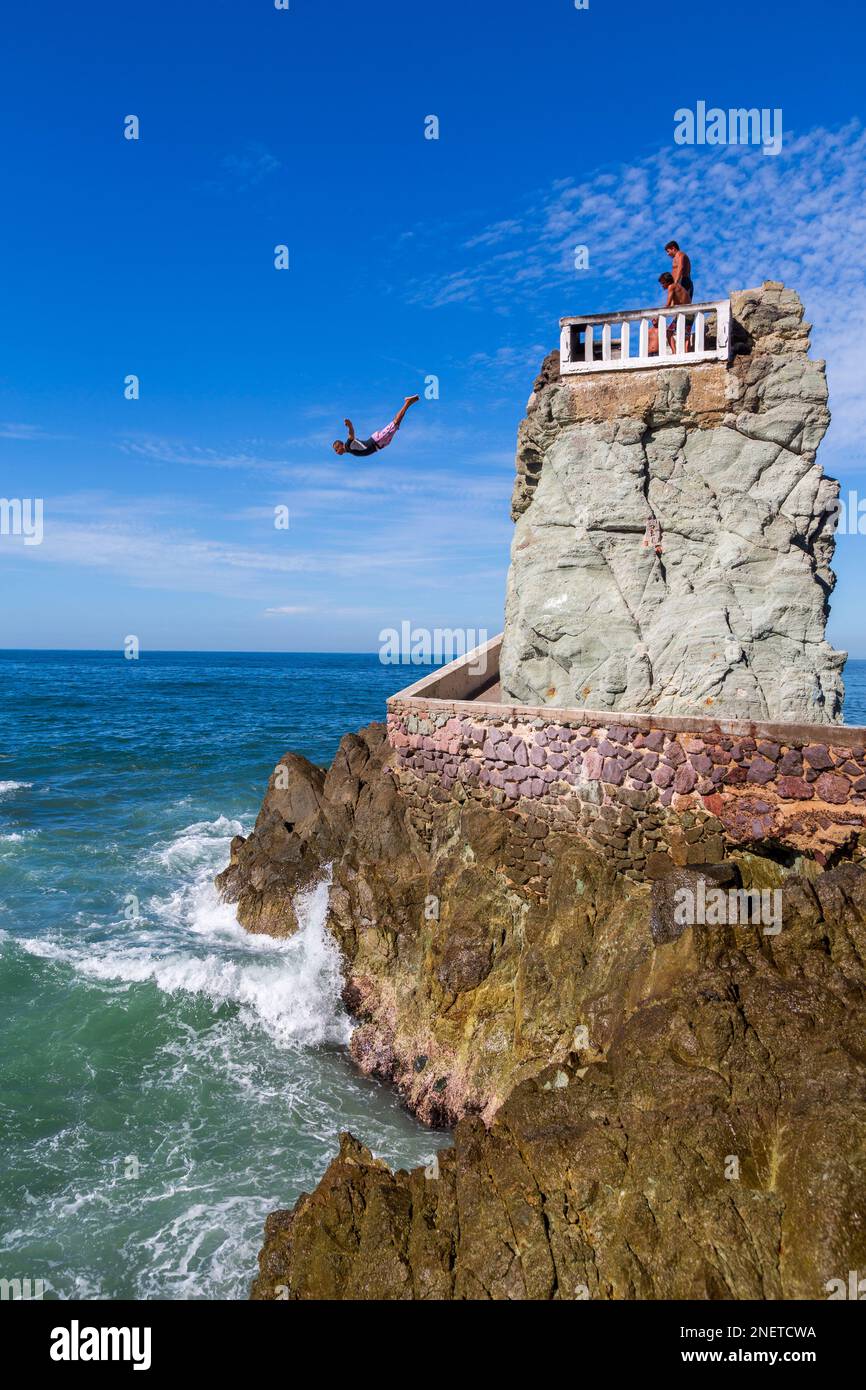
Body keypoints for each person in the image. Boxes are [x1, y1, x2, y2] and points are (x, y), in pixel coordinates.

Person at [333, 395, 420, 457]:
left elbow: (351, 435)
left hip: (377, 441)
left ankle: (407, 402)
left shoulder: (348, 445)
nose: (336, 452)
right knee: (396, 425)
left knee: (395, 423)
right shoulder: (349, 449)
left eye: (336, 449)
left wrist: (349, 425)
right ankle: (408, 403)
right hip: (379, 444)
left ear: (341, 445)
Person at [648, 273, 693, 354]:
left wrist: (659, 313)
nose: (662, 286)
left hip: (684, 314)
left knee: (669, 332)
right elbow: (675, 304)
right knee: (686, 336)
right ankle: (687, 353)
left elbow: (668, 305)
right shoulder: (678, 287)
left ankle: (674, 353)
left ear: (667, 281)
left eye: (663, 283)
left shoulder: (671, 287)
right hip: (690, 313)